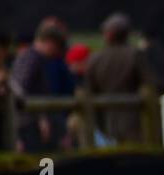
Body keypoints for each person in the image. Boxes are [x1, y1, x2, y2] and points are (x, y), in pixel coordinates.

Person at [85, 13, 154, 145]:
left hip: (106, 120)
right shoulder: (135, 55)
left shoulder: (96, 58)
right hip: (133, 119)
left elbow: (89, 90)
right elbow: (149, 83)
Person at [9, 20, 74, 152]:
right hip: (29, 124)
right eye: (57, 47)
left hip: (32, 122)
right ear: (50, 43)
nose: (56, 53)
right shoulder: (31, 58)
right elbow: (20, 89)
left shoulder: (35, 57)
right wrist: (41, 117)